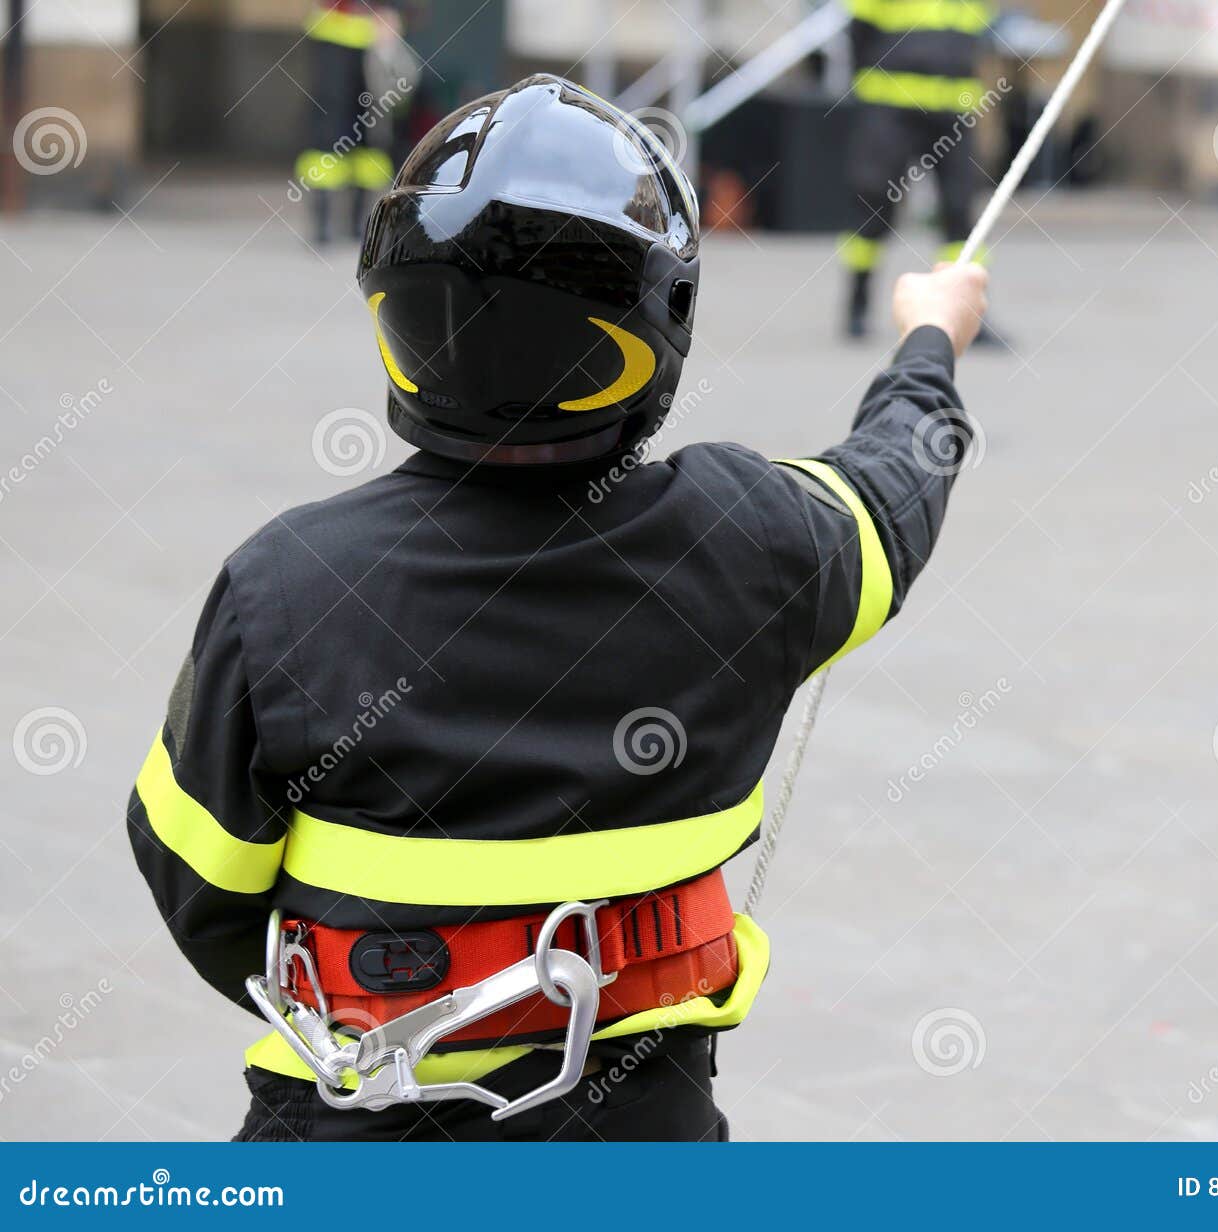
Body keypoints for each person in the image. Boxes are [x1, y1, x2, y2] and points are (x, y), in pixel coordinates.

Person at [126, 75, 989, 1142]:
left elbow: (201, 889)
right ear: (651, 323)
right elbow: (894, 487)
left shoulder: (286, 583)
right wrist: (929, 340)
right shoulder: (750, 540)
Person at [839, 0, 1000, 342]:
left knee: (961, 210)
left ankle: (968, 312)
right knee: (874, 205)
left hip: (952, 113)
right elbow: (857, 33)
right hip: (891, 108)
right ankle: (857, 304)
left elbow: (977, 42)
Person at [296, 2, 406, 244]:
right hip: (333, 30)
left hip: (372, 33)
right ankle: (324, 224)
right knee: (330, 128)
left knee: (370, 128)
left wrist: (390, 11)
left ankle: (359, 223)